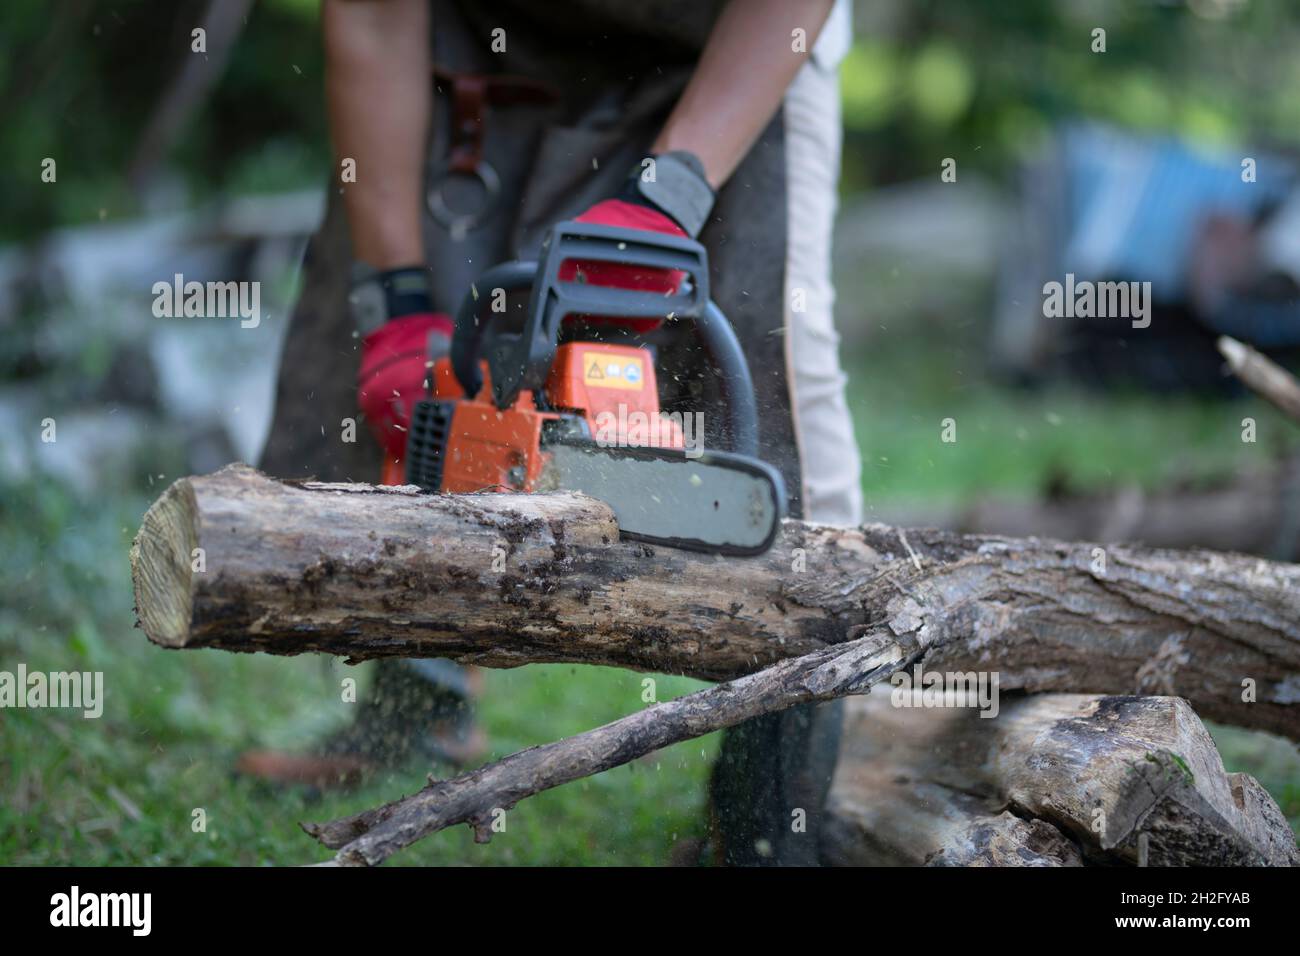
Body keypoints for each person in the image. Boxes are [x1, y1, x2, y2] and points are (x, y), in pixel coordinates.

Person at [243, 0, 863, 866]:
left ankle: (766, 817)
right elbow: (375, 17)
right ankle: (411, 708)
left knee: (782, 386)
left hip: (735, 47)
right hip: (475, 37)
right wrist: (394, 298)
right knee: (419, 330)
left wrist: (673, 193)